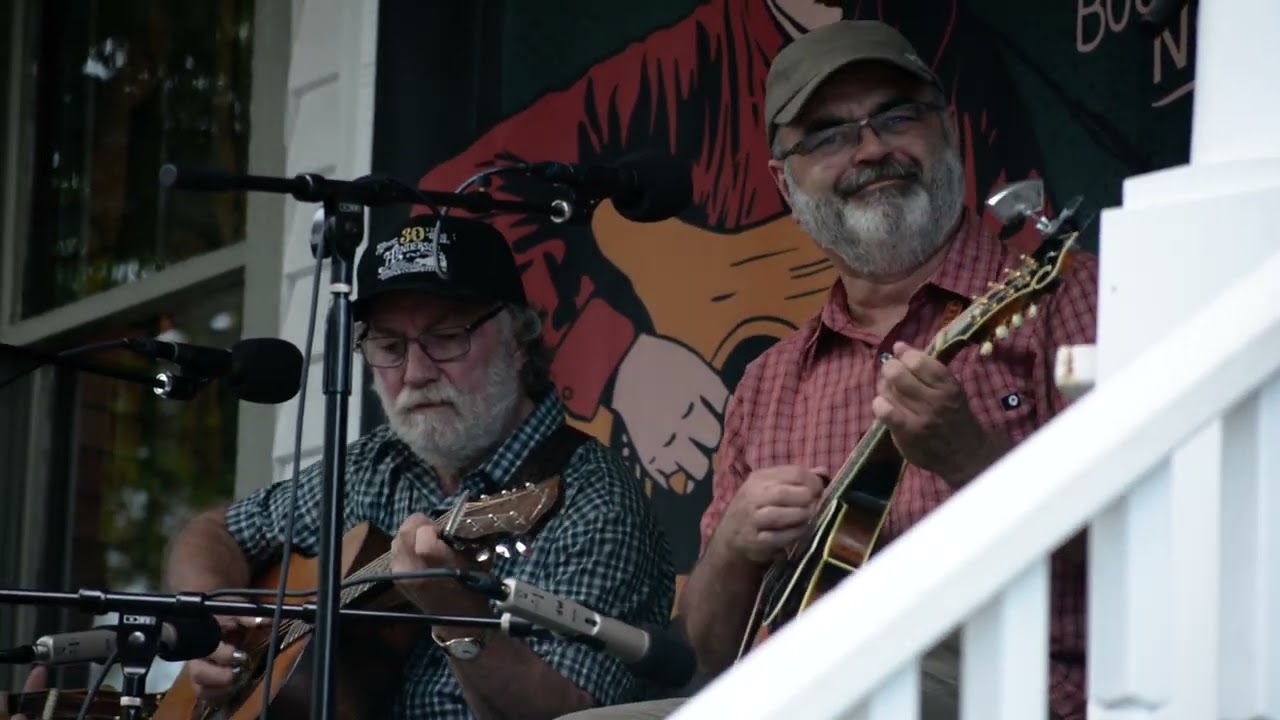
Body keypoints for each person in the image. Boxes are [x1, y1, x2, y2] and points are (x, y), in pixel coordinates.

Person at [557, 19, 1097, 720]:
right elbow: (707, 659)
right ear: (785, 182)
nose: (872, 150)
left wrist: (971, 457)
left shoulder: (1064, 297)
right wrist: (733, 547)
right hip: (803, 688)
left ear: (949, 131)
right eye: (830, 135)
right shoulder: (769, 383)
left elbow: (1151, 535)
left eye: (897, 117)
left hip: (1009, 677)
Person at [156, 215, 677, 720]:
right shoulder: (373, 464)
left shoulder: (594, 504)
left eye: (447, 337)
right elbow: (215, 532)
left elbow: (575, 712)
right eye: (389, 346)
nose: (416, 373)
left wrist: (457, 614)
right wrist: (215, 616)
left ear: (519, 340)